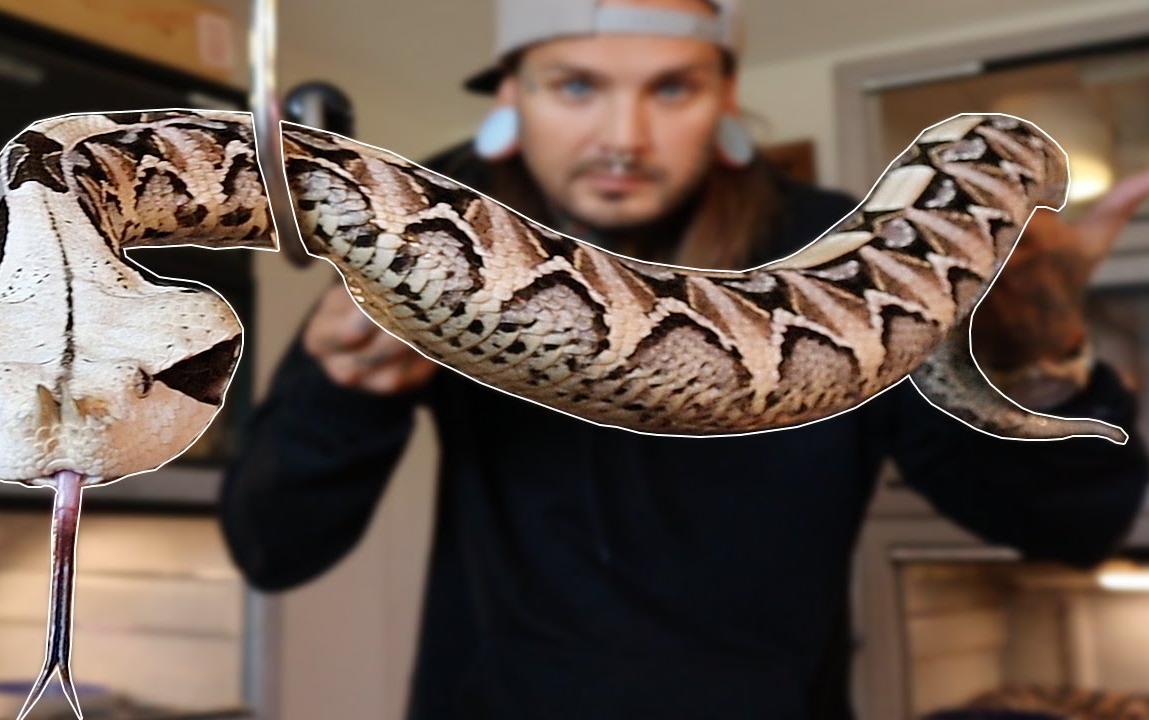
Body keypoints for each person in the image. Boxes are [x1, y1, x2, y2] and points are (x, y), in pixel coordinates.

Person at [220, 0, 1149, 717]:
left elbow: (1078, 522)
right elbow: (270, 545)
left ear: (725, 96)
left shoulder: (846, 256)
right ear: (510, 94)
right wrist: (342, 393)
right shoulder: (447, 231)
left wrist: (1041, 338)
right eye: (575, 86)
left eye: (671, 89)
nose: (623, 137)